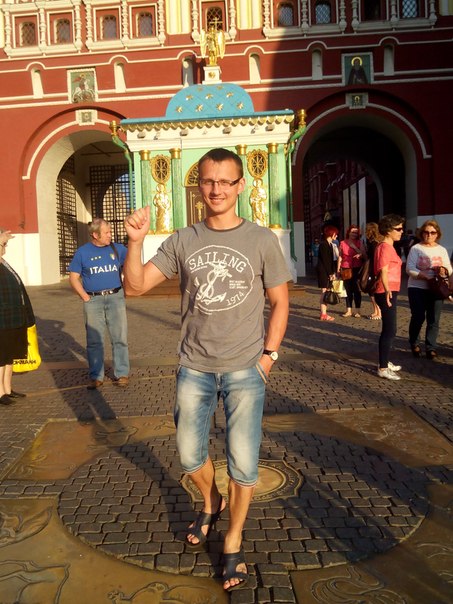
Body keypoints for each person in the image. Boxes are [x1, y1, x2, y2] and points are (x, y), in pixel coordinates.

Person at [123, 148, 291, 592]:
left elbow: (280, 302)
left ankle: (233, 539)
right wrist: (136, 241)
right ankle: (210, 500)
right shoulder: (184, 239)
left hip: (245, 370)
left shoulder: (261, 240)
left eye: (225, 181)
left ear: (240, 186)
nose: (216, 189)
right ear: (199, 186)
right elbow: (135, 287)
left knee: (243, 464)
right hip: (194, 367)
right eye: (208, 181)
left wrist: (268, 357)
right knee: (189, 455)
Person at [68, 218, 130, 390]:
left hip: (115, 297)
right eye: (107, 233)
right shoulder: (82, 252)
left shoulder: (118, 249)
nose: (110, 235)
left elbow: (132, 264)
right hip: (93, 301)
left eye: (110, 232)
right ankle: (96, 376)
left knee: (120, 338)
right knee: (94, 341)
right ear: (95, 235)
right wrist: (85, 297)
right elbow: (73, 278)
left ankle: (122, 373)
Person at [406, 219, 453, 360]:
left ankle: (431, 347)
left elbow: (449, 268)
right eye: (426, 232)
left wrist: (444, 271)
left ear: (437, 234)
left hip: (436, 289)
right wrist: (424, 276)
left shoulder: (441, 250)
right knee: (418, 316)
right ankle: (414, 342)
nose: (429, 235)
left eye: (433, 232)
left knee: (434, 319)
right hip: (417, 287)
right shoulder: (416, 248)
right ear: (422, 233)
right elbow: (409, 268)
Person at [0, 229, 35, 405]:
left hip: (13, 317)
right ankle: (0, 393)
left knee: (9, 355)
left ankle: (8, 388)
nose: (4, 249)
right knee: (1, 357)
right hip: (2, 318)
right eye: (2, 245)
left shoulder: (4, 262)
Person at [374, 214, 405, 380]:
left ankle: (384, 361)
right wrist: (387, 291)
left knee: (389, 329)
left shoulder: (389, 247)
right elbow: (383, 271)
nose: (401, 231)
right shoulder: (385, 248)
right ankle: (383, 368)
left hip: (391, 290)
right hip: (386, 291)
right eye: (398, 229)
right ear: (388, 230)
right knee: (390, 330)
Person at [338, 224, 367, 318]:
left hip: (357, 268)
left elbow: (364, 255)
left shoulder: (359, 242)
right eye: (352, 232)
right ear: (348, 232)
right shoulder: (343, 243)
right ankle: (349, 310)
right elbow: (340, 257)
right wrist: (338, 269)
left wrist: (354, 247)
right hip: (346, 268)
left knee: (357, 290)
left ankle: (358, 310)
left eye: (356, 232)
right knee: (348, 290)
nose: (354, 234)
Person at [317, 226, 339, 321]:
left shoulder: (330, 244)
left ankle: (324, 313)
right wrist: (330, 274)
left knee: (325, 291)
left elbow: (331, 261)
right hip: (324, 272)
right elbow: (326, 261)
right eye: (335, 234)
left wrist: (333, 272)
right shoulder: (324, 245)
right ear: (331, 234)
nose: (336, 236)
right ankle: (323, 314)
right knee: (324, 292)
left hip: (327, 271)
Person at [364, 222, 383, 320]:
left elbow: (374, 257)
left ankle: (378, 312)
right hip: (375, 268)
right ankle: (376, 310)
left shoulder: (373, 243)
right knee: (372, 290)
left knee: (372, 290)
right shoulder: (378, 241)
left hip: (373, 268)